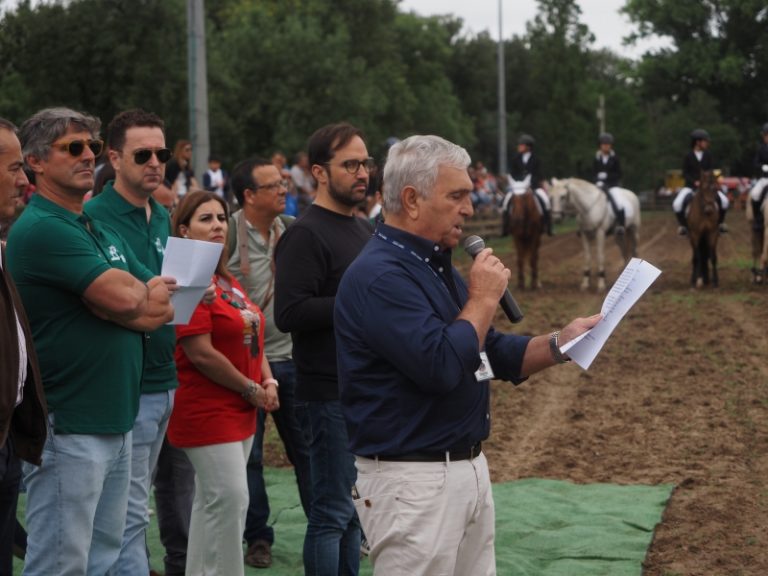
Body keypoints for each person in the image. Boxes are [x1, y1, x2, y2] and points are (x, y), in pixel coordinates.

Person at [335, 135, 600, 576]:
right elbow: (441, 366)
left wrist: (560, 343)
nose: (470, 209)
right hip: (413, 481)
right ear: (411, 200)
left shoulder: (430, 263)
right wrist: (481, 298)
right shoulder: (380, 276)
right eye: (457, 196)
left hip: (464, 468)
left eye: (469, 196)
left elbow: (488, 348)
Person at [7, 106, 175, 575]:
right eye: (73, 147)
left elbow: (161, 306)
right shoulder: (44, 227)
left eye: (92, 147)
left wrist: (122, 303)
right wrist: (125, 302)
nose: (88, 156)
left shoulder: (91, 226)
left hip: (115, 419)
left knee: (103, 557)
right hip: (72, 422)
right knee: (62, 563)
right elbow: (129, 298)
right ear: (36, 162)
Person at [84, 108, 192, 576]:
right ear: (115, 157)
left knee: (143, 504)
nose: (155, 162)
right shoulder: (93, 215)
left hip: (165, 376)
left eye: (161, 153)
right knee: (124, 514)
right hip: (127, 384)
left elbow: (166, 295)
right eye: (142, 153)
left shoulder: (163, 215)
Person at [274, 123, 373, 576]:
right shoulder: (306, 234)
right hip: (326, 390)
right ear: (319, 172)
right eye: (349, 164)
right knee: (331, 512)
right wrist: (359, 303)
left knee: (355, 512)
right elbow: (289, 313)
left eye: (365, 163)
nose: (362, 173)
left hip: (364, 388)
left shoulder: (364, 229)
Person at [168, 190, 279, 576]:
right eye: (205, 219)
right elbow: (199, 352)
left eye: (220, 218)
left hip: (242, 405)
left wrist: (268, 379)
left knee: (213, 503)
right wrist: (250, 388)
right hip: (208, 407)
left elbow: (253, 331)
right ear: (184, 229)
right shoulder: (186, 277)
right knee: (230, 500)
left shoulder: (225, 279)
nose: (217, 225)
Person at [226, 155, 312, 569]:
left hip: (294, 359)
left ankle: (328, 527)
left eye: (284, 183)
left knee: (308, 451)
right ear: (248, 195)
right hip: (244, 365)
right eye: (274, 185)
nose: (284, 190)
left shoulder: (294, 231)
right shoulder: (223, 232)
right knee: (251, 457)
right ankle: (257, 537)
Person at [0, 117, 47, 576]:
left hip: (9, 438)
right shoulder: (33, 233)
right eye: (15, 168)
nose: (23, 181)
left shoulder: (3, 244)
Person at [673, 128, 729, 235]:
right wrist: (694, 182)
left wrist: (709, 182)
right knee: (677, 204)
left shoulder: (708, 155)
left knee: (724, 201)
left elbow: (710, 170)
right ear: (697, 142)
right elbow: (685, 173)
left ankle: (720, 224)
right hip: (690, 187)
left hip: (707, 187)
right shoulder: (688, 156)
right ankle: (684, 226)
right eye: (705, 141)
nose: (707, 143)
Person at [504, 134, 553, 235]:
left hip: (532, 187)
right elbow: (513, 173)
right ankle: (505, 228)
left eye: (521, 145)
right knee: (505, 202)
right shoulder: (515, 159)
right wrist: (519, 182)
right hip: (518, 187)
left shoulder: (536, 159)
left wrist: (531, 185)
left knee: (545, 201)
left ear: (528, 147)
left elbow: (538, 174)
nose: (519, 146)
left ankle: (548, 227)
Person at [592, 132, 626, 234]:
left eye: (607, 144)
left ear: (610, 146)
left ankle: (621, 224)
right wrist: (597, 179)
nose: (605, 146)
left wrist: (607, 176)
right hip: (599, 185)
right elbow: (593, 172)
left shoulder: (615, 158)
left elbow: (619, 174)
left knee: (618, 203)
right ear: (600, 145)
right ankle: (587, 225)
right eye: (603, 144)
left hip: (612, 185)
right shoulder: (596, 158)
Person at [749, 122, 768, 228]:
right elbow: (755, 163)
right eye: (765, 136)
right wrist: (762, 167)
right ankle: (758, 219)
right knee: (755, 195)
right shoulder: (761, 149)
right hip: (765, 178)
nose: (766, 138)